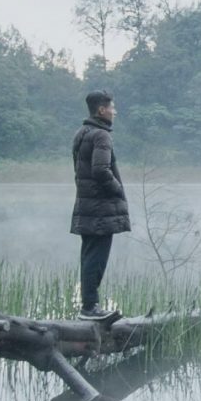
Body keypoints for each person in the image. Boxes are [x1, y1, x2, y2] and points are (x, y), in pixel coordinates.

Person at [71, 91, 130, 319]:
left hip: (87, 206)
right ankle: (90, 308)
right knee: (96, 258)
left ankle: (88, 306)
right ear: (101, 110)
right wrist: (118, 189)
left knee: (88, 256)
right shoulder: (101, 136)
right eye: (112, 107)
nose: (114, 112)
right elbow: (100, 170)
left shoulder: (81, 133)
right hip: (100, 209)